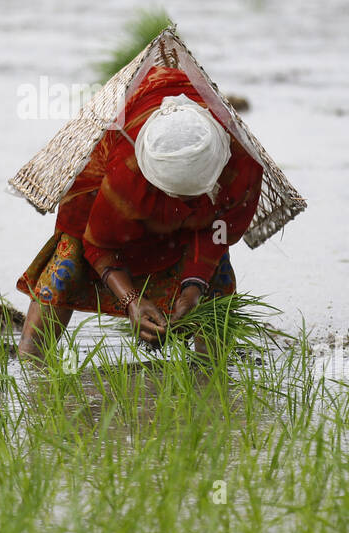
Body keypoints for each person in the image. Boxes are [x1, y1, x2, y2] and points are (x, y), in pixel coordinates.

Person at [16, 66, 263, 360]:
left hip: (184, 215)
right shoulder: (127, 173)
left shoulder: (241, 165)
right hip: (117, 193)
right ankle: (30, 362)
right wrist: (131, 300)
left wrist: (192, 291)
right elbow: (99, 243)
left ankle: (210, 370)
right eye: (176, 194)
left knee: (217, 274)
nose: (183, 202)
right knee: (69, 256)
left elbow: (218, 232)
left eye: (192, 194)